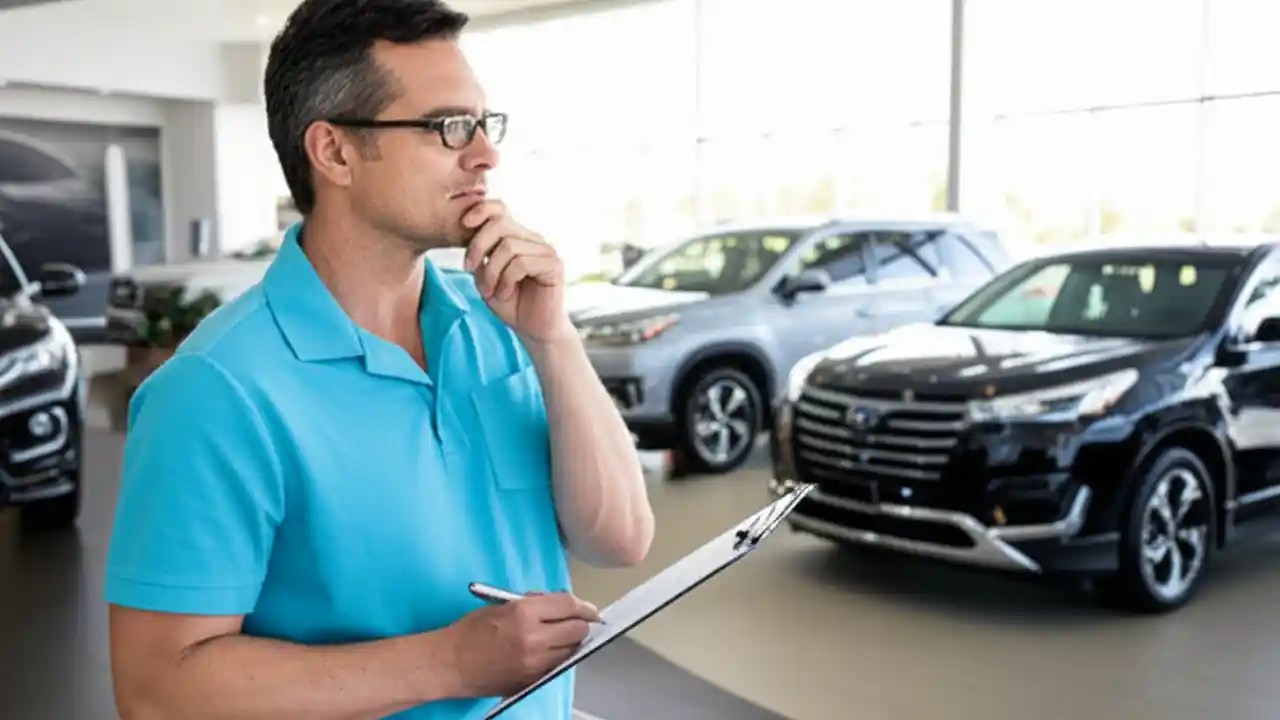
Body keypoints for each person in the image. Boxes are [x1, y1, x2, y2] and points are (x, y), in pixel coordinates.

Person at [104, 1, 655, 717]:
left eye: (486, 124)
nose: (485, 153)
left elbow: (619, 539)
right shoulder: (215, 391)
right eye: (449, 127)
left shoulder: (502, 325)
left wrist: (554, 338)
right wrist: (452, 662)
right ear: (334, 152)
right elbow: (158, 691)